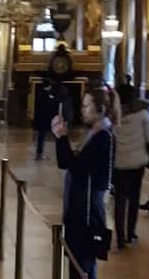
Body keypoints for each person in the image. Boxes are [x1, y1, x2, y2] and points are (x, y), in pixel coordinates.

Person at [52, 89, 114, 279]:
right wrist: (59, 136)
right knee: (77, 263)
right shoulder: (93, 135)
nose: (83, 110)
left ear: (100, 110)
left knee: (83, 266)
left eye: (87, 106)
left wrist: (63, 137)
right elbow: (66, 163)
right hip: (78, 209)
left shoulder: (103, 138)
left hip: (87, 214)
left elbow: (77, 166)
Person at [112, 84, 149, 249]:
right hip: (137, 163)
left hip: (119, 163)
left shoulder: (114, 115)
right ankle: (131, 232)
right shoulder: (143, 114)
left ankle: (120, 238)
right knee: (134, 198)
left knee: (120, 201)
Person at [33, 78, 59, 160]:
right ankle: (40, 153)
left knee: (42, 136)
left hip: (43, 119)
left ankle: (39, 153)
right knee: (43, 136)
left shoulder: (40, 93)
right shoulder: (45, 94)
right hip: (45, 119)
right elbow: (48, 107)